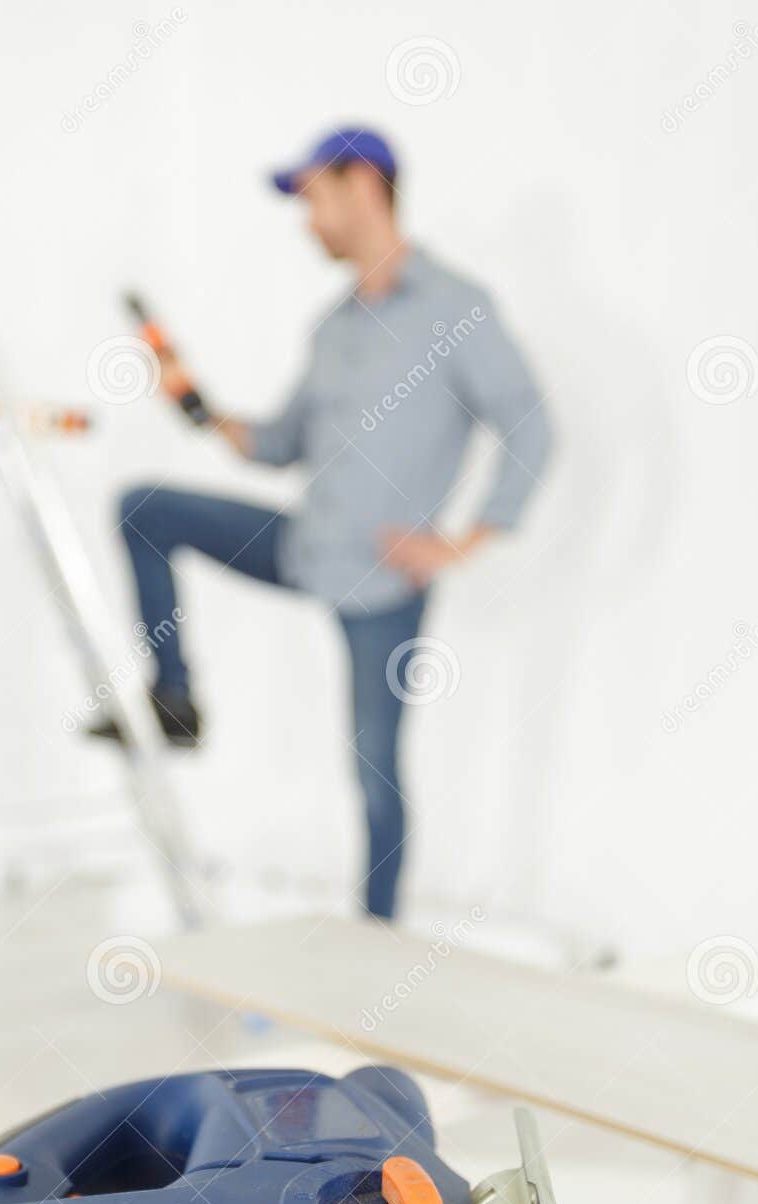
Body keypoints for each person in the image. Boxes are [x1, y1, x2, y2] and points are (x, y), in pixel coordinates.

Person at [93, 127, 553, 919]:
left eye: (313, 199)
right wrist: (192, 400)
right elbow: (276, 446)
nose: (307, 220)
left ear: (364, 188)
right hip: (304, 547)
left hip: (382, 581)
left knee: (373, 773)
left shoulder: (455, 308)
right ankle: (174, 699)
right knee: (144, 510)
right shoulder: (332, 327)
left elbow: (530, 424)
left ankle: (375, 942)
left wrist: (463, 542)